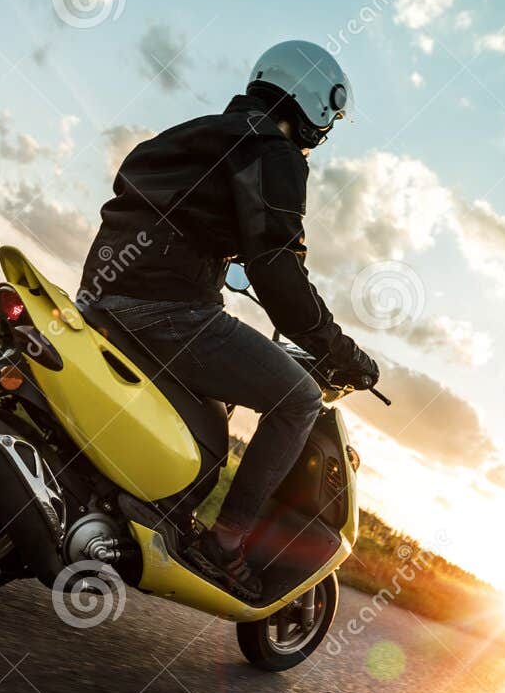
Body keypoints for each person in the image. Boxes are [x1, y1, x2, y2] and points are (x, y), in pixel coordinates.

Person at [79, 40, 379, 602]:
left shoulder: (199, 132)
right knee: (297, 399)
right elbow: (278, 271)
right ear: (315, 100)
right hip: (169, 311)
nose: (328, 129)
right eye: (330, 115)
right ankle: (226, 544)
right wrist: (338, 349)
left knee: (206, 422)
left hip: (103, 295)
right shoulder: (273, 151)